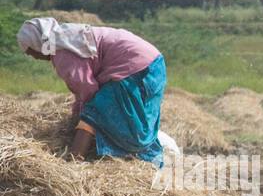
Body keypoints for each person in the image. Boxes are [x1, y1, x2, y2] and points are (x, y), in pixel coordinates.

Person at [18, 17, 166, 163]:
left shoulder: (62, 53)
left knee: (94, 111)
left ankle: (74, 160)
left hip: (135, 68)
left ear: (37, 43)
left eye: (31, 52)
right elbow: (82, 88)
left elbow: (88, 90)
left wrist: (81, 117)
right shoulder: (69, 38)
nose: (34, 57)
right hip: (155, 65)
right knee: (138, 122)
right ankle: (148, 160)